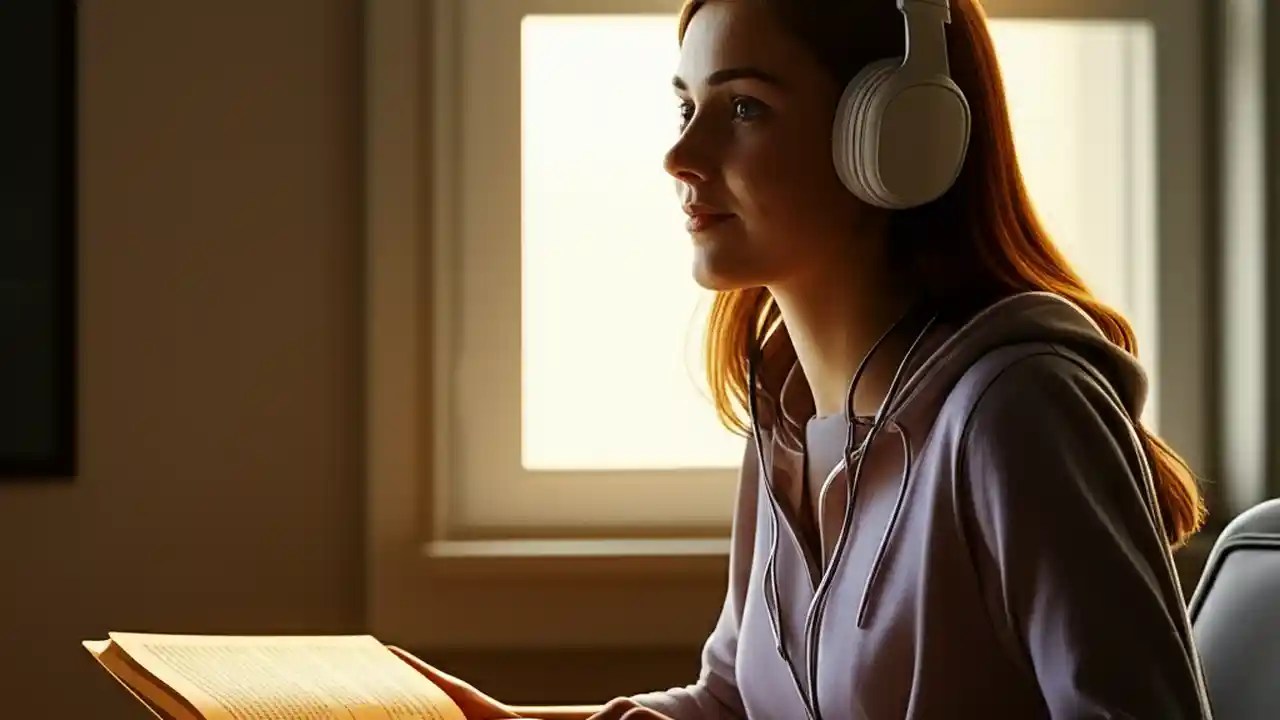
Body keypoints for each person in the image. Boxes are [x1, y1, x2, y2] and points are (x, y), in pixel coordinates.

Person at [419, 0, 1215, 717]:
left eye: (743, 107)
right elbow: (735, 700)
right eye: (687, 105)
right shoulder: (790, 419)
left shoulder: (1018, 413)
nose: (680, 154)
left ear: (896, 137)